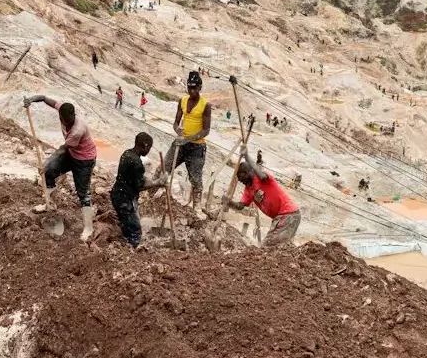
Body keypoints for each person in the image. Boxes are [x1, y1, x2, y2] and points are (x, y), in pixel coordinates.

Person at [23, 95, 98, 239]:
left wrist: (47, 162)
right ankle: (49, 204)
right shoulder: (63, 109)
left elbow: (62, 149)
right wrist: (31, 100)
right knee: (49, 172)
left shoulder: (77, 130)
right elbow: (45, 98)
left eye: (70, 120)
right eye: (66, 121)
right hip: (72, 153)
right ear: (61, 117)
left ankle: (88, 227)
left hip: (84, 160)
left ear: (73, 116)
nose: (68, 123)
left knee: (83, 193)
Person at [221, 145, 300, 246]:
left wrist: (247, 156)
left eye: (240, 176)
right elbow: (240, 206)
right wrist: (228, 202)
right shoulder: (248, 190)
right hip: (283, 217)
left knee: (267, 247)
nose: (239, 180)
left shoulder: (262, 178)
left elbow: (261, 174)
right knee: (280, 247)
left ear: (247, 172)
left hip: (287, 215)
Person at [111, 132, 166, 248]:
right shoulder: (136, 163)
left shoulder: (126, 154)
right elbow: (140, 186)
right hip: (125, 199)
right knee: (135, 230)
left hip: (117, 194)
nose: (149, 150)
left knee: (127, 224)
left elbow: (136, 177)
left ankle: (124, 242)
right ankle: (130, 252)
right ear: (145, 146)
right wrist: (158, 183)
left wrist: (152, 181)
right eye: (149, 148)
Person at [167, 71, 211, 211]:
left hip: (197, 147)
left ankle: (196, 207)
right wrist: (178, 131)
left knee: (196, 179)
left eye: (194, 88)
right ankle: (152, 194)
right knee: (164, 168)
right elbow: (175, 123)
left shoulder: (205, 105)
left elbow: (206, 131)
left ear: (199, 88)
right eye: (189, 87)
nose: (191, 91)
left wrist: (188, 139)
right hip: (181, 143)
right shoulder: (183, 101)